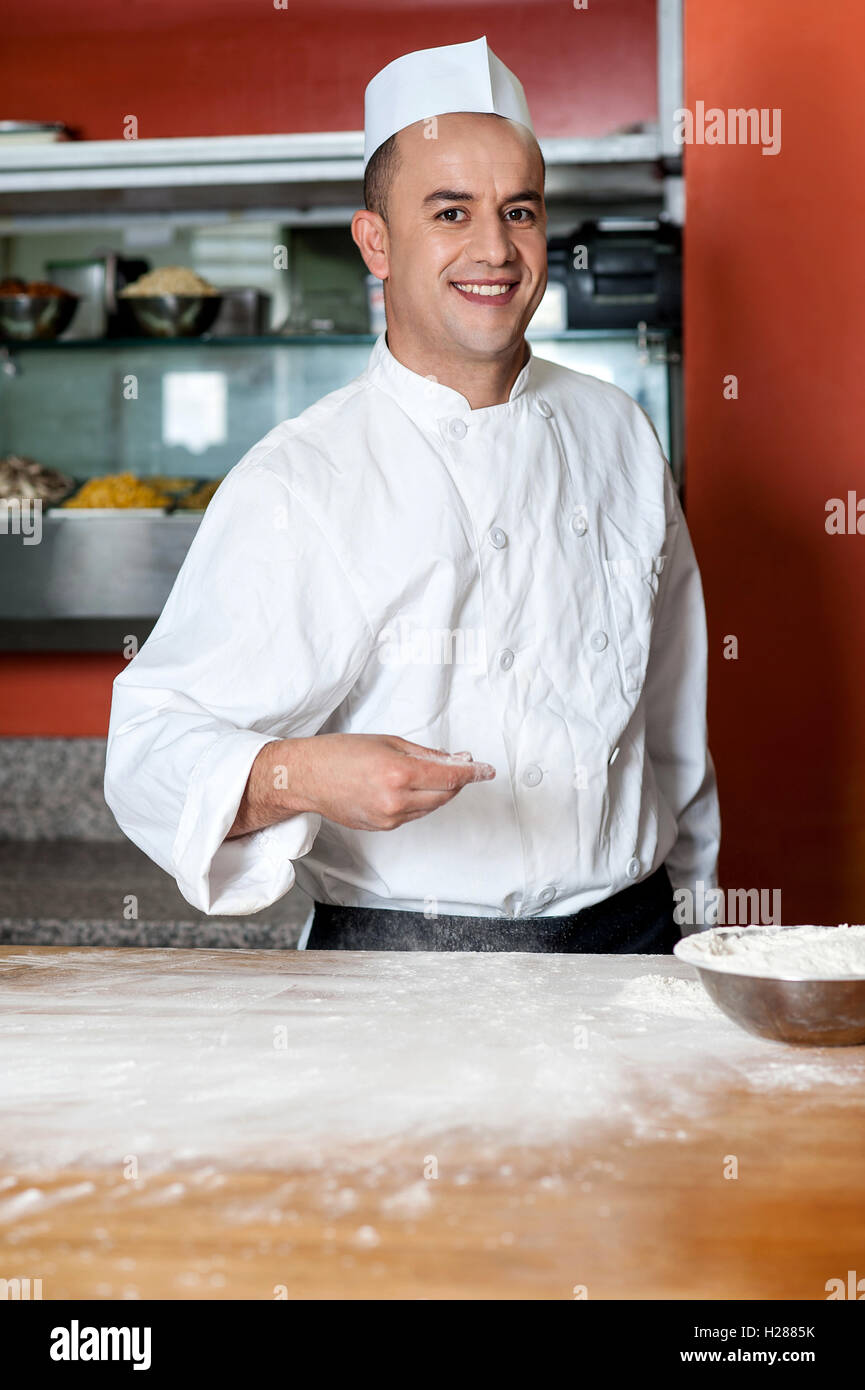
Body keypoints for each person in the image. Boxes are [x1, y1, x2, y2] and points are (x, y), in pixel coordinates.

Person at [104, 36, 720, 953]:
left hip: (632, 940)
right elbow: (146, 748)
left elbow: (672, 717)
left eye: (518, 210)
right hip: (402, 957)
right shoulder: (299, 477)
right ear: (375, 242)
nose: (494, 250)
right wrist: (297, 775)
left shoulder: (617, 430)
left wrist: (700, 922)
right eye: (448, 212)